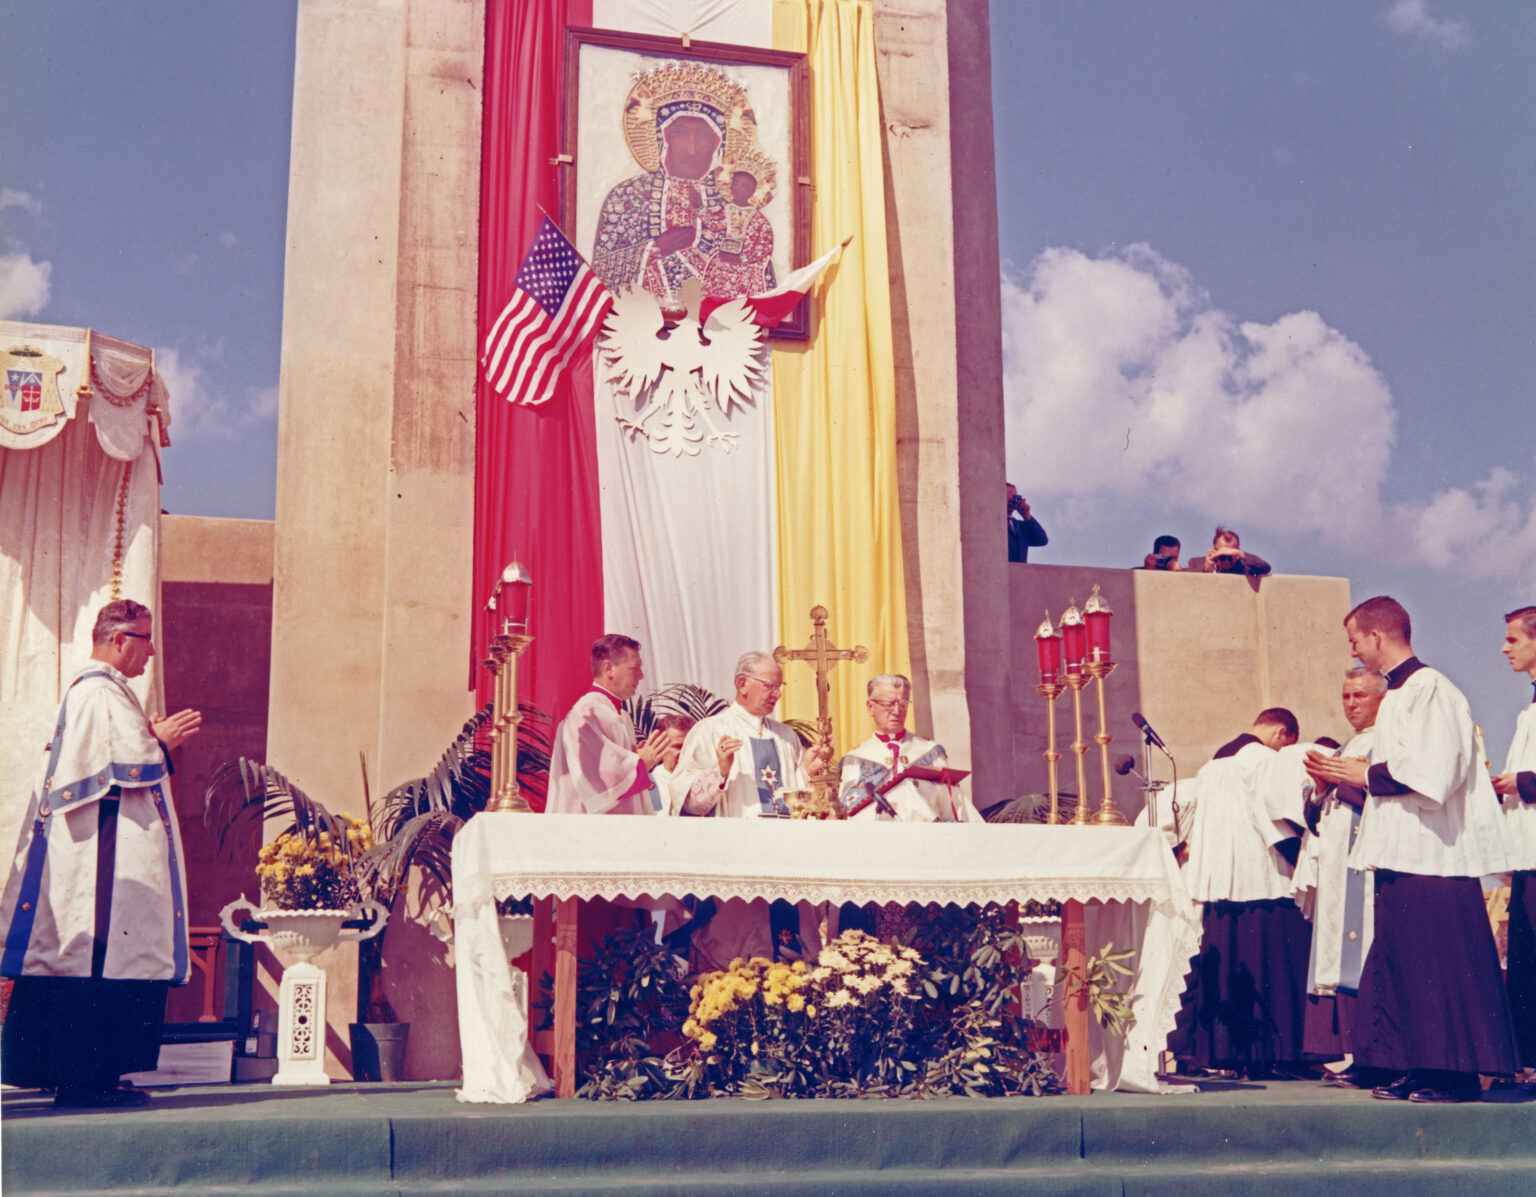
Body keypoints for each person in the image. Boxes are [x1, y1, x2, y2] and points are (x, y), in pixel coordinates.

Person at [1306, 596, 1516, 1102]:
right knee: (1404, 964)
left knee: (1437, 964)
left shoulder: (1433, 690)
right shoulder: (1398, 698)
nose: (1354, 649)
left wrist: (1363, 773)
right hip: (1399, 850)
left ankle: (1458, 1073)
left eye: (1355, 640)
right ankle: (1421, 1065)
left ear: (1377, 637)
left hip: (1434, 855)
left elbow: (1437, 773)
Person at [0, 599, 201, 1107]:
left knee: (115, 962)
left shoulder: (111, 693)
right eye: (145, 639)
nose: (152, 651)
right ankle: (84, 1079)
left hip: (112, 863)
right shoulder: (97, 692)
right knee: (99, 962)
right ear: (118, 640)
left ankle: (98, 1075)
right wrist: (159, 742)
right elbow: (104, 772)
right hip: (102, 868)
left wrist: (148, 738)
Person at [1170, 707, 1312, 1078]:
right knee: (1278, 966)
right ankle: (1282, 1057)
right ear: (1282, 733)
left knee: (1231, 967)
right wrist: (1305, 862)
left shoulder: (1210, 767)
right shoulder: (1266, 761)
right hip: (1265, 880)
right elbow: (1279, 821)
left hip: (1221, 886)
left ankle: (1232, 1055)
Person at [671, 652, 830, 966]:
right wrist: (720, 771)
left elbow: (794, 800)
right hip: (735, 863)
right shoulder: (709, 731)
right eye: (770, 685)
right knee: (739, 958)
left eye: (779, 686)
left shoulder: (785, 737)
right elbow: (686, 800)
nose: (778, 693)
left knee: (788, 949)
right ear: (742, 684)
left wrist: (806, 774)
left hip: (784, 864)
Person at [1290, 668, 1387, 1086]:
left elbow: (1385, 795)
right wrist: (1316, 787)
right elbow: (1317, 815)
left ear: (1382, 698)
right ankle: (1346, 1051)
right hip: (1333, 866)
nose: (1350, 704)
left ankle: (1368, 1052)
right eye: (1346, 696)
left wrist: (1340, 780)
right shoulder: (1348, 745)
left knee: (1357, 951)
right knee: (1332, 953)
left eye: (1359, 696)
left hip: (1361, 868)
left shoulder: (1385, 740)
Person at [545, 635, 682, 816]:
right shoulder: (585, 715)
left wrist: (633, 756)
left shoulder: (620, 715)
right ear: (609, 668)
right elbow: (598, 781)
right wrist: (641, 762)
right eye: (635, 668)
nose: (641, 676)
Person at [837, 674, 980, 823]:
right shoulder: (855, 759)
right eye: (888, 704)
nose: (897, 711)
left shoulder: (930, 752)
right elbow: (847, 813)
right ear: (870, 707)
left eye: (903, 704)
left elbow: (952, 805)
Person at [1492, 605, 1536, 1072]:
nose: (1505, 648)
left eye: (1513, 639)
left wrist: (1521, 783)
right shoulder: (1530, 707)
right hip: (1526, 856)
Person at [1202, 527, 1270, 576]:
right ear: (1214, 550)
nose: (1226, 558)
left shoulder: (1245, 568)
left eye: (1230, 553)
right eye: (1222, 553)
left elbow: (1266, 568)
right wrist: (1205, 570)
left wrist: (1240, 553)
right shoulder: (1195, 563)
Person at [1006, 483, 1048, 563]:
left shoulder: (1019, 526)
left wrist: (1027, 516)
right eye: (1008, 493)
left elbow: (1042, 540)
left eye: (1014, 494)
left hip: (1019, 573)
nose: (1013, 498)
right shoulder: (993, 523)